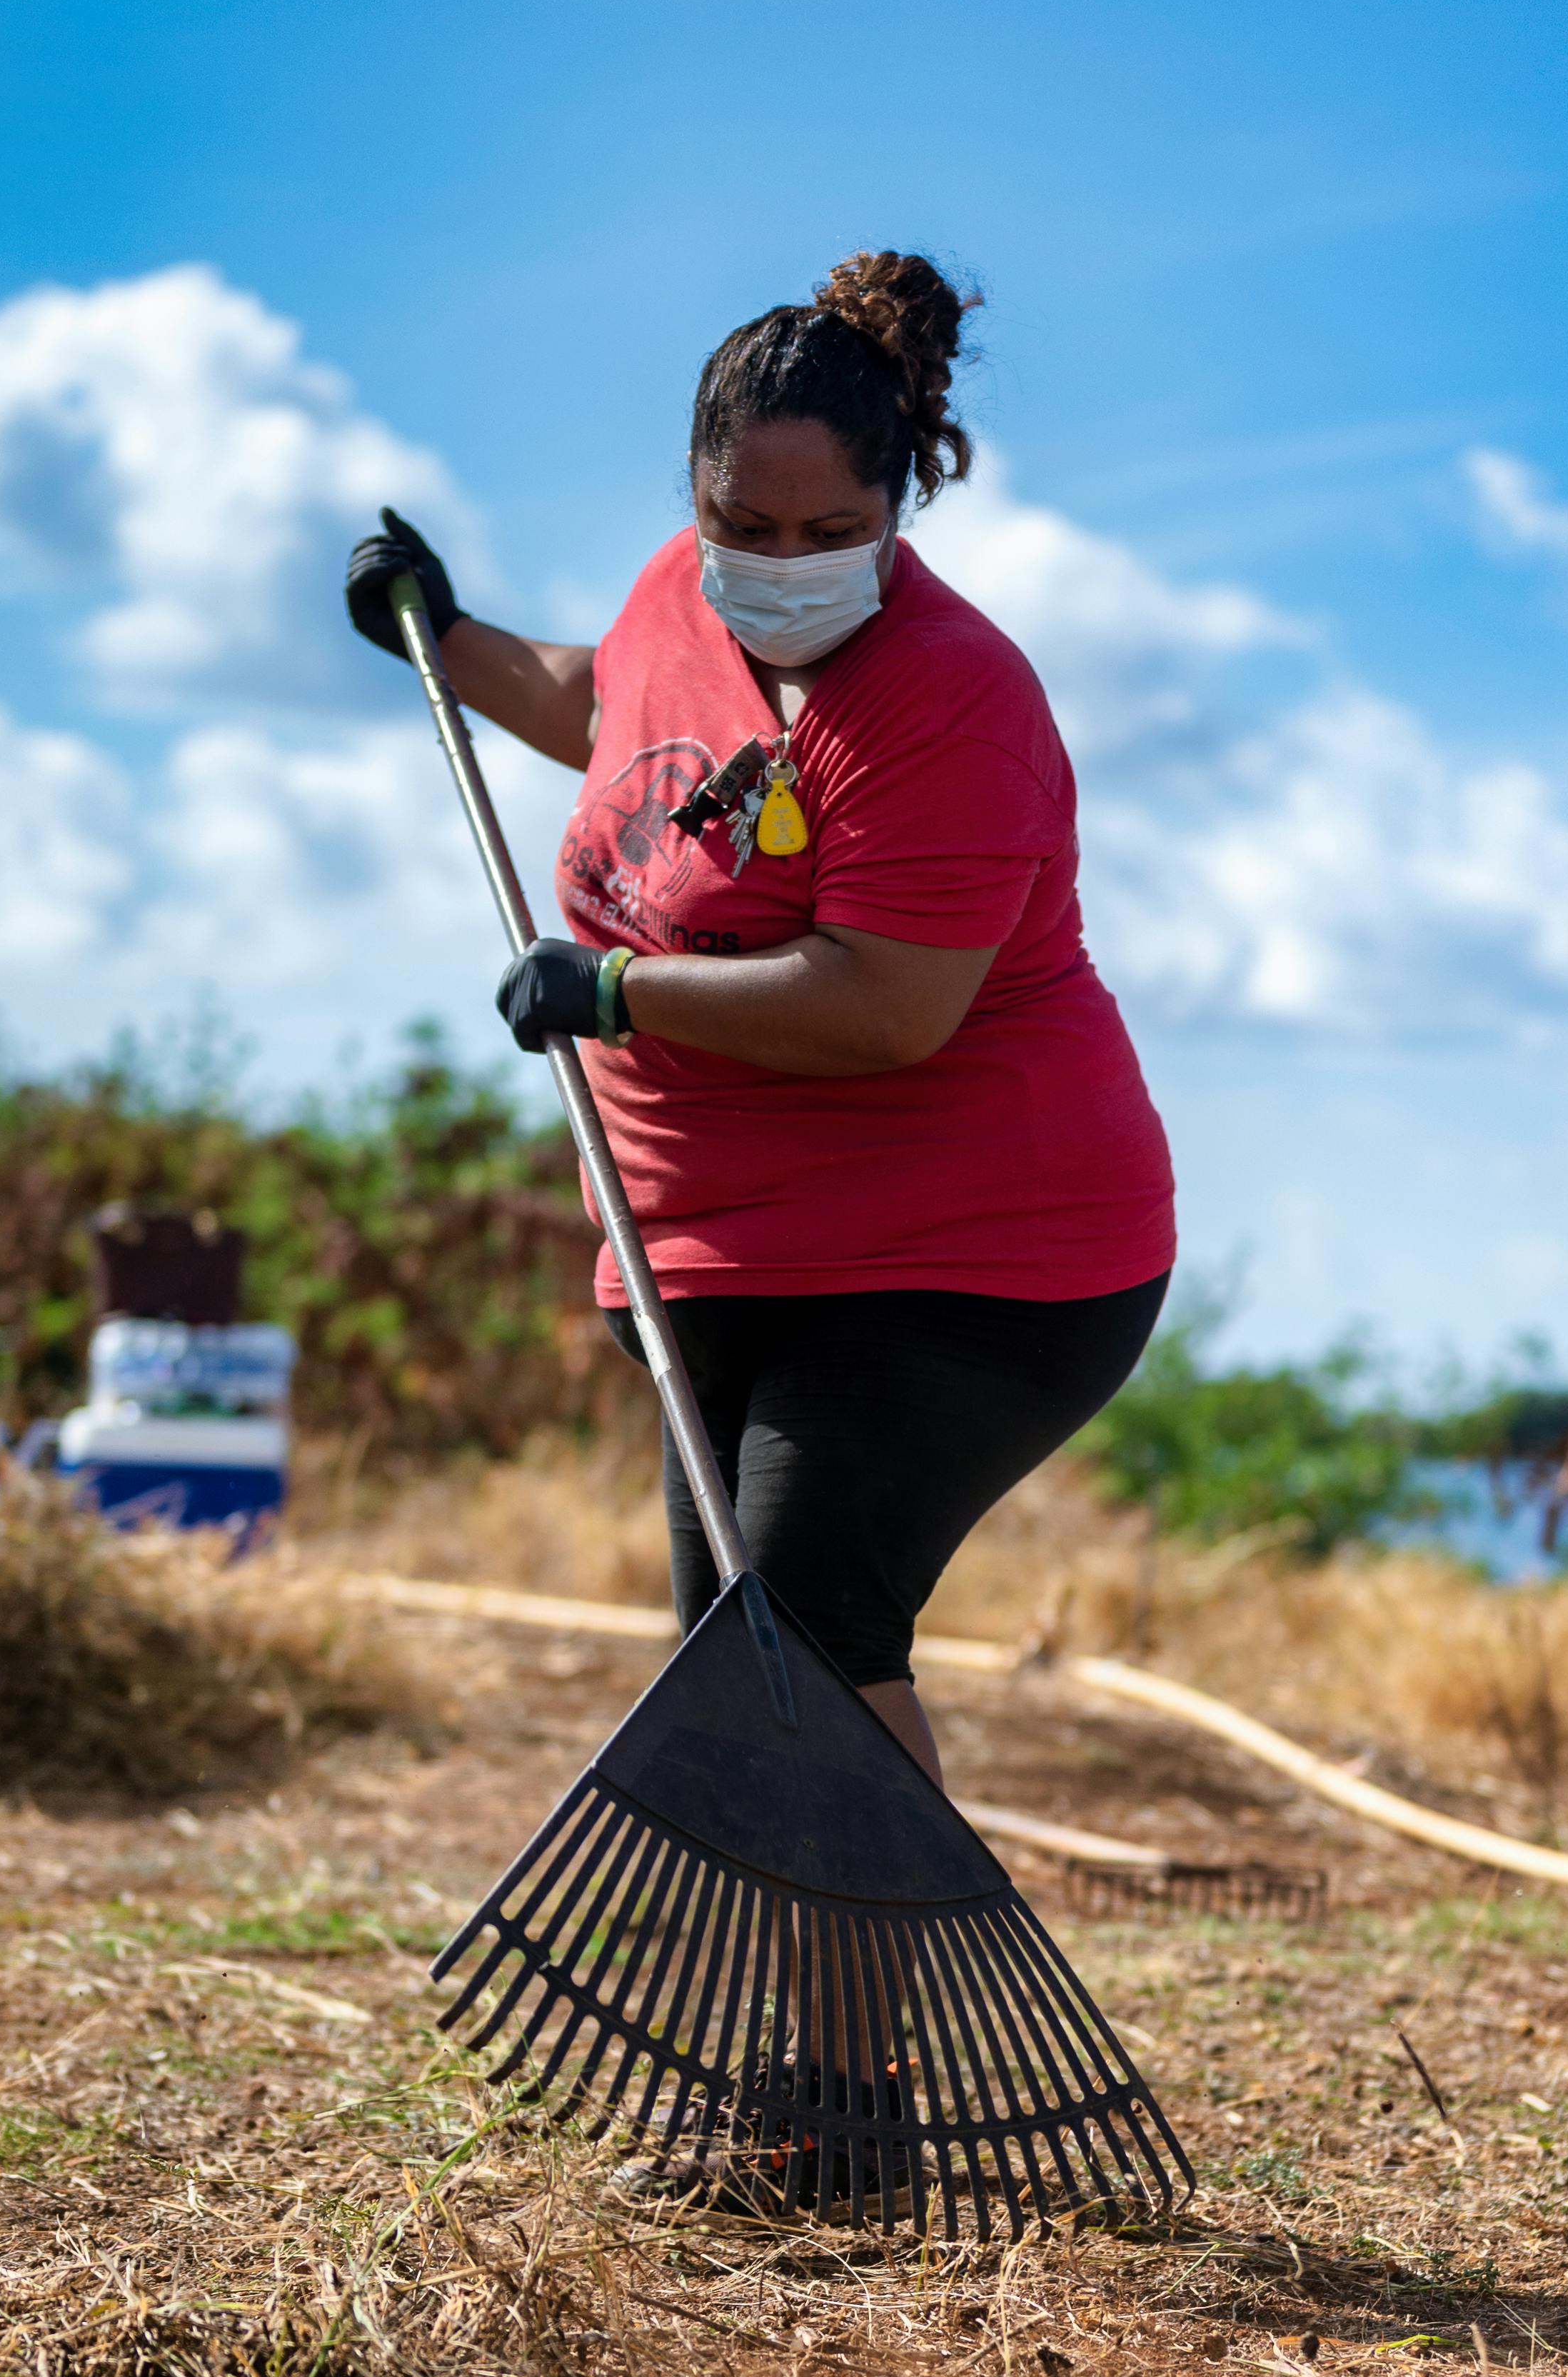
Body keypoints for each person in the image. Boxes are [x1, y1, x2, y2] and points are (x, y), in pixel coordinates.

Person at [346, 251, 1174, 1793]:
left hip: (974, 1254)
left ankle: (863, 2036)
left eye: (828, 535)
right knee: (733, 1648)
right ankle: (798, 2031)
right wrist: (441, 638)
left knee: (805, 1622)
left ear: (896, 516)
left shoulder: (952, 704)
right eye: (742, 527)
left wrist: (614, 991)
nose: (779, 562)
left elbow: (884, 1008)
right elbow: (617, 713)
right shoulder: (675, 593)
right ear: (694, 493)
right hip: (711, 1236)